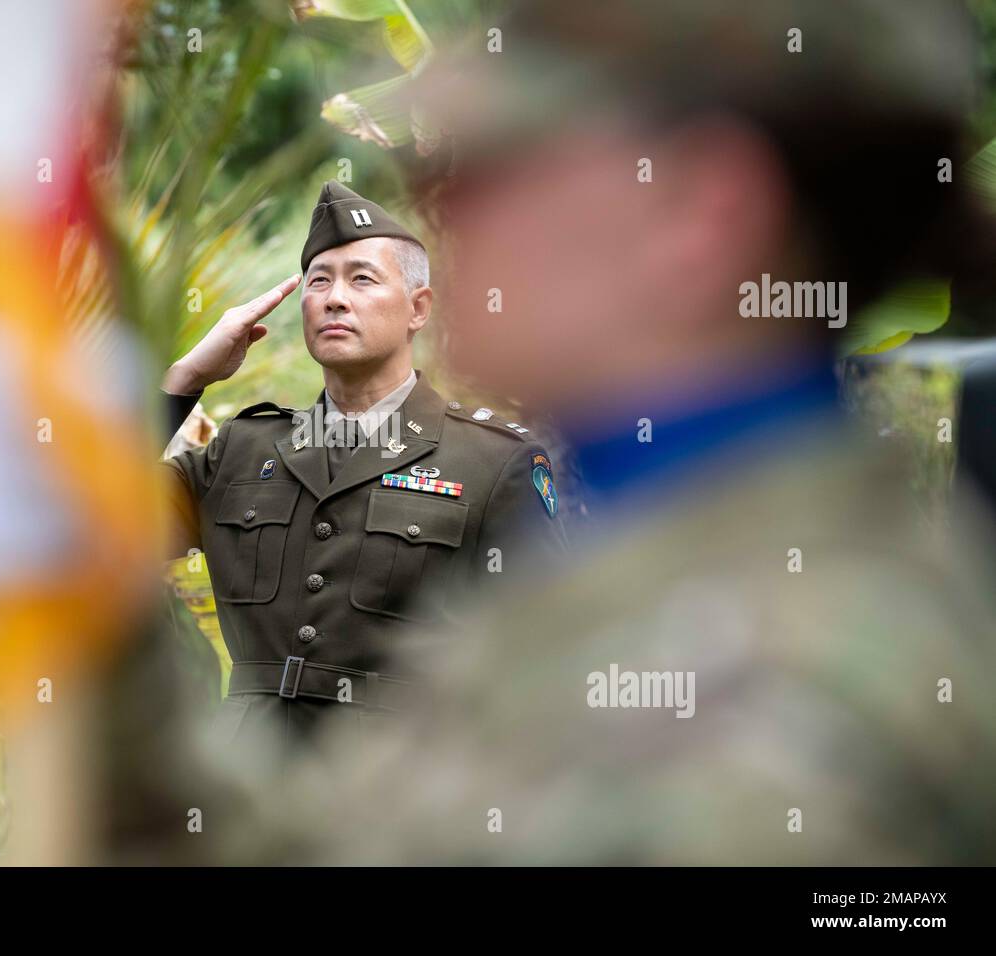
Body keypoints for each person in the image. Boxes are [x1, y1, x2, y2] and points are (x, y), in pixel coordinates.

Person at [109, 0, 996, 864]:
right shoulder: (655, 572)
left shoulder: (793, 716)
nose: (438, 197)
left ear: (699, 211)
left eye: (498, 156)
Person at [158, 181, 568, 758]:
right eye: (319, 280)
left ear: (418, 309)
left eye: (362, 278)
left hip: (402, 804)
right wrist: (180, 384)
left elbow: (548, 658)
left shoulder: (494, 462)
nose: (334, 298)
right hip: (244, 800)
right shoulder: (243, 450)